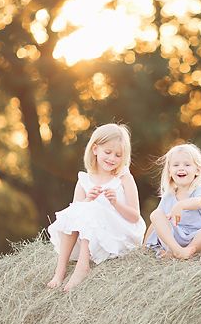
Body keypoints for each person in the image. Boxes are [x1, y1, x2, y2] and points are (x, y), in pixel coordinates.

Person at [47, 124, 145, 295]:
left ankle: (82, 267)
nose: (112, 158)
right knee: (80, 209)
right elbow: (74, 216)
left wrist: (116, 203)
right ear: (95, 149)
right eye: (108, 152)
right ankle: (60, 270)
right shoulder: (85, 179)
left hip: (120, 233)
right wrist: (87, 199)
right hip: (92, 236)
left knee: (92, 209)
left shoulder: (124, 178)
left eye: (118, 155)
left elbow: (135, 217)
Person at [145, 142, 201, 260]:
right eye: (176, 165)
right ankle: (178, 251)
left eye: (187, 165)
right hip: (174, 241)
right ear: (170, 172)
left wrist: (181, 205)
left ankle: (187, 252)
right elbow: (156, 224)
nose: (181, 168)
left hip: (199, 242)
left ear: (197, 170)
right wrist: (144, 248)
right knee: (155, 214)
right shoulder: (168, 196)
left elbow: (200, 202)